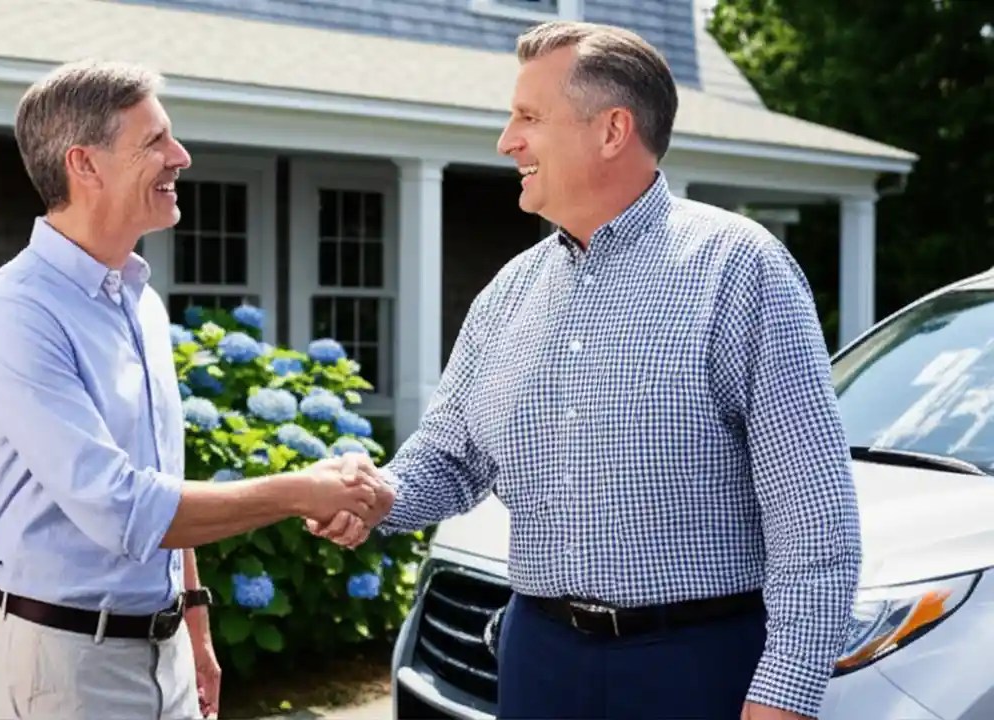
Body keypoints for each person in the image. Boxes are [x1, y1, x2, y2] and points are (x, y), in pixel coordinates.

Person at [311, 20, 861, 720]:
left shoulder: (740, 269)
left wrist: (784, 692)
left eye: (529, 117)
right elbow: (449, 456)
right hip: (538, 659)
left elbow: (813, 515)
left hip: (696, 666)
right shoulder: (507, 293)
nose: (506, 141)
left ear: (612, 131)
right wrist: (376, 494)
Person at [0, 59, 389, 720]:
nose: (180, 157)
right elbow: (122, 508)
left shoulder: (139, 302)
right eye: (154, 141)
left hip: (165, 654)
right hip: (66, 670)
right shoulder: (17, 313)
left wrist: (193, 620)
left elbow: (160, 475)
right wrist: (302, 491)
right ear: (85, 164)